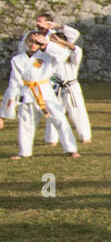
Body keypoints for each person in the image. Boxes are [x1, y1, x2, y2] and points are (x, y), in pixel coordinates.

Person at [2, 31, 80, 159]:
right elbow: (14, 83)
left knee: (60, 120)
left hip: (45, 92)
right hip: (27, 92)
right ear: (26, 42)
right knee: (25, 124)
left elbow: (64, 54)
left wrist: (46, 44)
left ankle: (71, 149)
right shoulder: (17, 60)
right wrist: (7, 107)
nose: (34, 44)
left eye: (37, 42)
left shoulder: (48, 55)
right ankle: (24, 152)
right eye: (31, 41)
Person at [34, 15, 92, 144]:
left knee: (78, 112)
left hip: (71, 87)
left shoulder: (72, 55)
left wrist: (60, 35)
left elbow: (76, 47)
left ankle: (85, 136)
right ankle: (51, 139)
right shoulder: (49, 55)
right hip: (55, 87)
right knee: (54, 113)